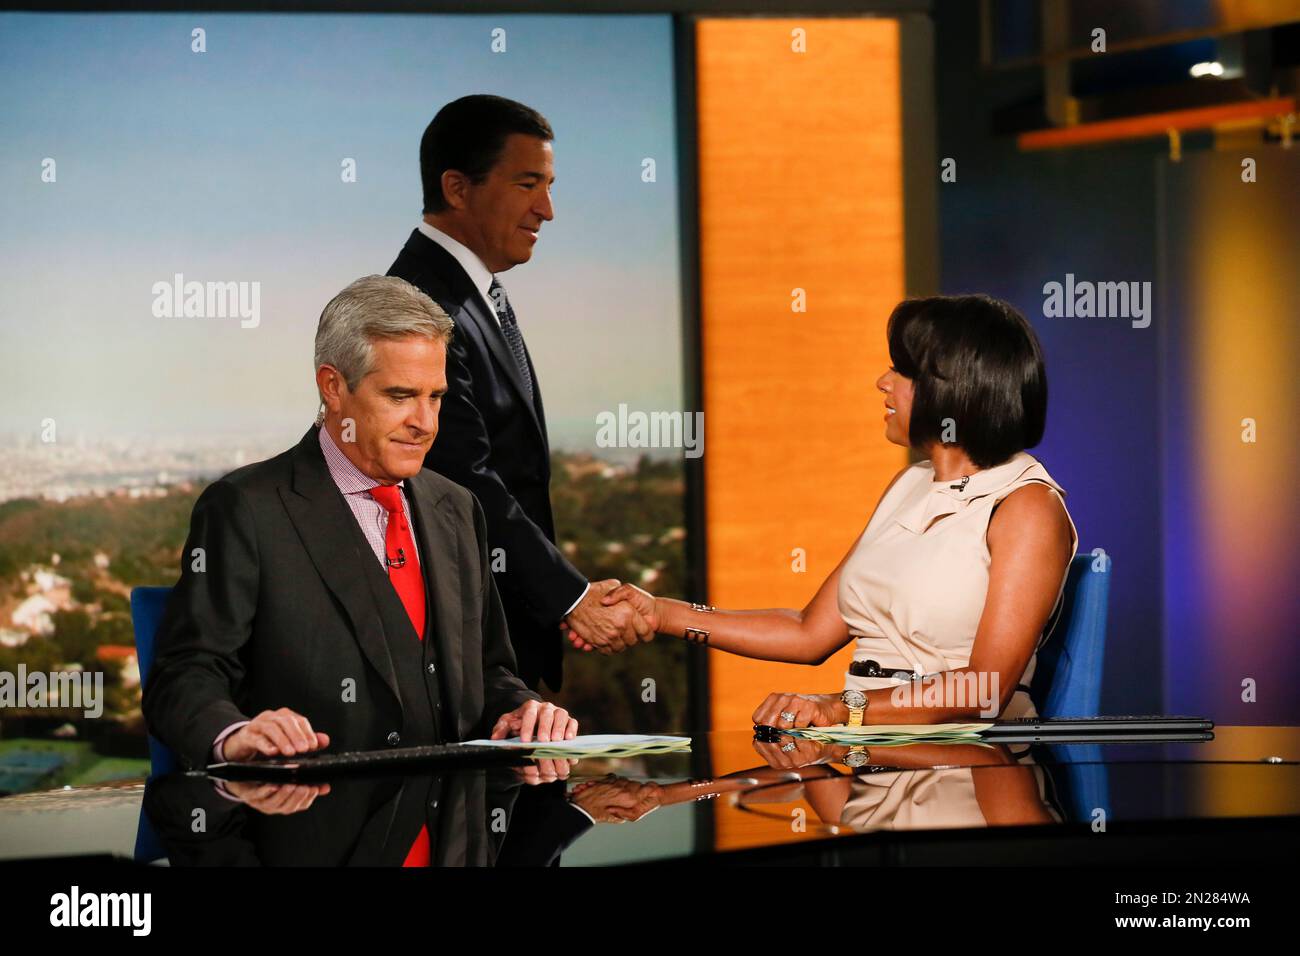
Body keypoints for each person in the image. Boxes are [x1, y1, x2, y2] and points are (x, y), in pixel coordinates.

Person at [143, 275, 578, 780]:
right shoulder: (245, 509)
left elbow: (488, 671)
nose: (426, 422)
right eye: (400, 396)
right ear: (333, 388)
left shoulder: (457, 507)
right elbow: (185, 676)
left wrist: (522, 708)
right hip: (310, 829)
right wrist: (235, 734)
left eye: (435, 396)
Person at [587, 294, 1080, 727]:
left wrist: (840, 708)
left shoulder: (1026, 506)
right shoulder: (910, 484)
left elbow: (985, 688)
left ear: (954, 387)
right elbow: (808, 634)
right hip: (872, 751)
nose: (881, 382)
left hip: (969, 765)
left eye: (901, 371)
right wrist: (661, 613)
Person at [387, 93, 650, 693]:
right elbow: (462, 478)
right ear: (457, 188)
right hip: (463, 655)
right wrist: (571, 597)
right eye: (528, 183)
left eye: (549, 185)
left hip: (502, 641)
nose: (548, 210)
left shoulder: (480, 293)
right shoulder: (420, 305)